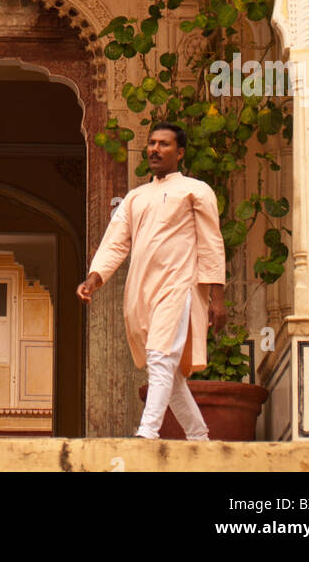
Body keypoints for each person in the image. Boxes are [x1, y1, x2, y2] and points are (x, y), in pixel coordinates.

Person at [76, 122, 227, 439]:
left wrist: (217, 298)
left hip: (179, 285)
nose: (155, 149)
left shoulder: (196, 191)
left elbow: (211, 243)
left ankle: (147, 433)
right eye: (152, 143)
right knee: (166, 372)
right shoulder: (135, 197)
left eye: (164, 144)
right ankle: (198, 436)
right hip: (140, 291)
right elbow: (116, 242)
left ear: (180, 152)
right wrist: (93, 278)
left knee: (161, 357)